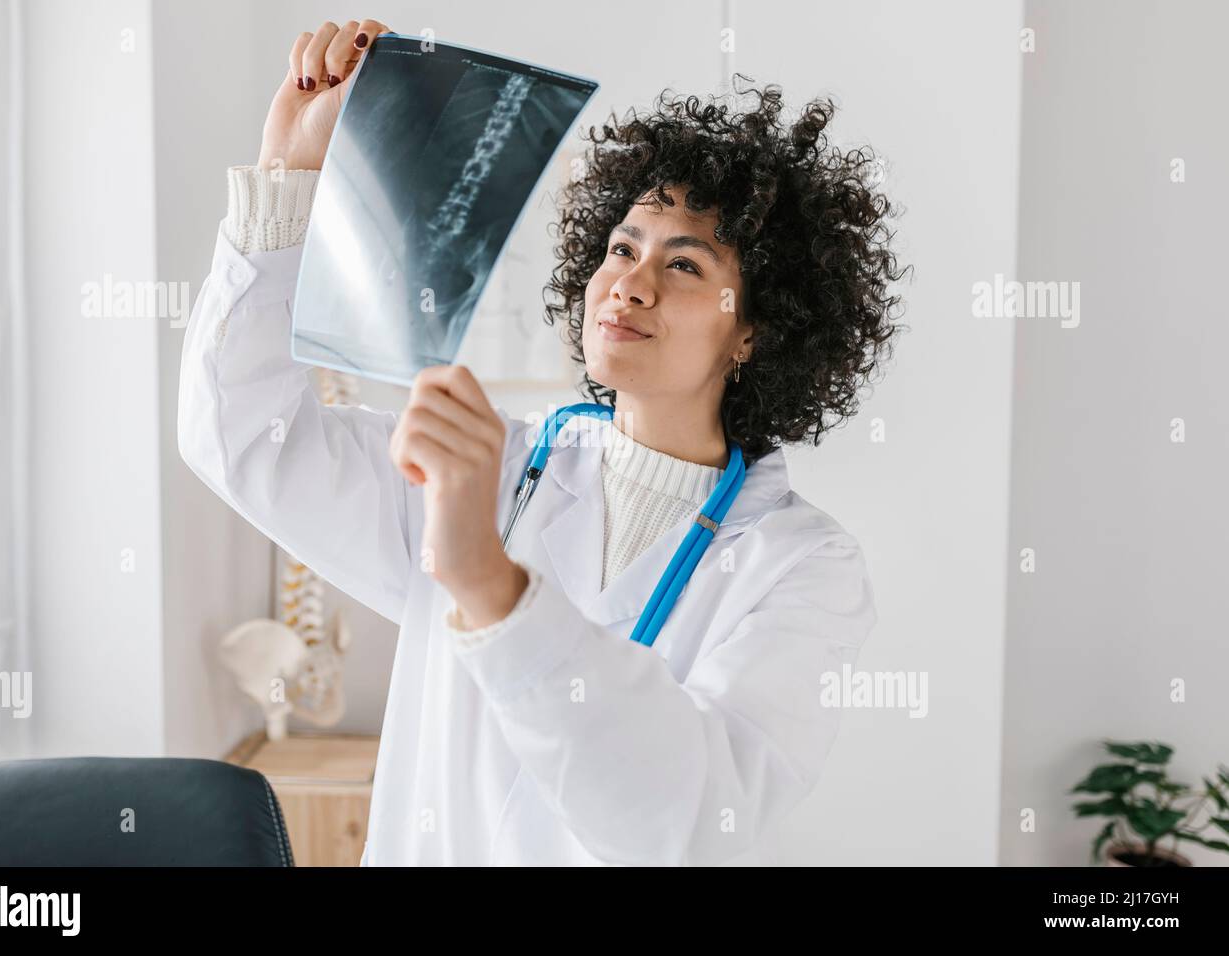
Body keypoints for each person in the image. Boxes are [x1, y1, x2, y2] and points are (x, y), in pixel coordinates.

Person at [178, 17, 908, 866]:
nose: (628, 284)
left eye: (684, 266)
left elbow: (696, 822)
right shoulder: (487, 471)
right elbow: (240, 437)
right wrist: (292, 170)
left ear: (754, 330)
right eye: (620, 247)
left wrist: (488, 581)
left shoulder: (802, 566)